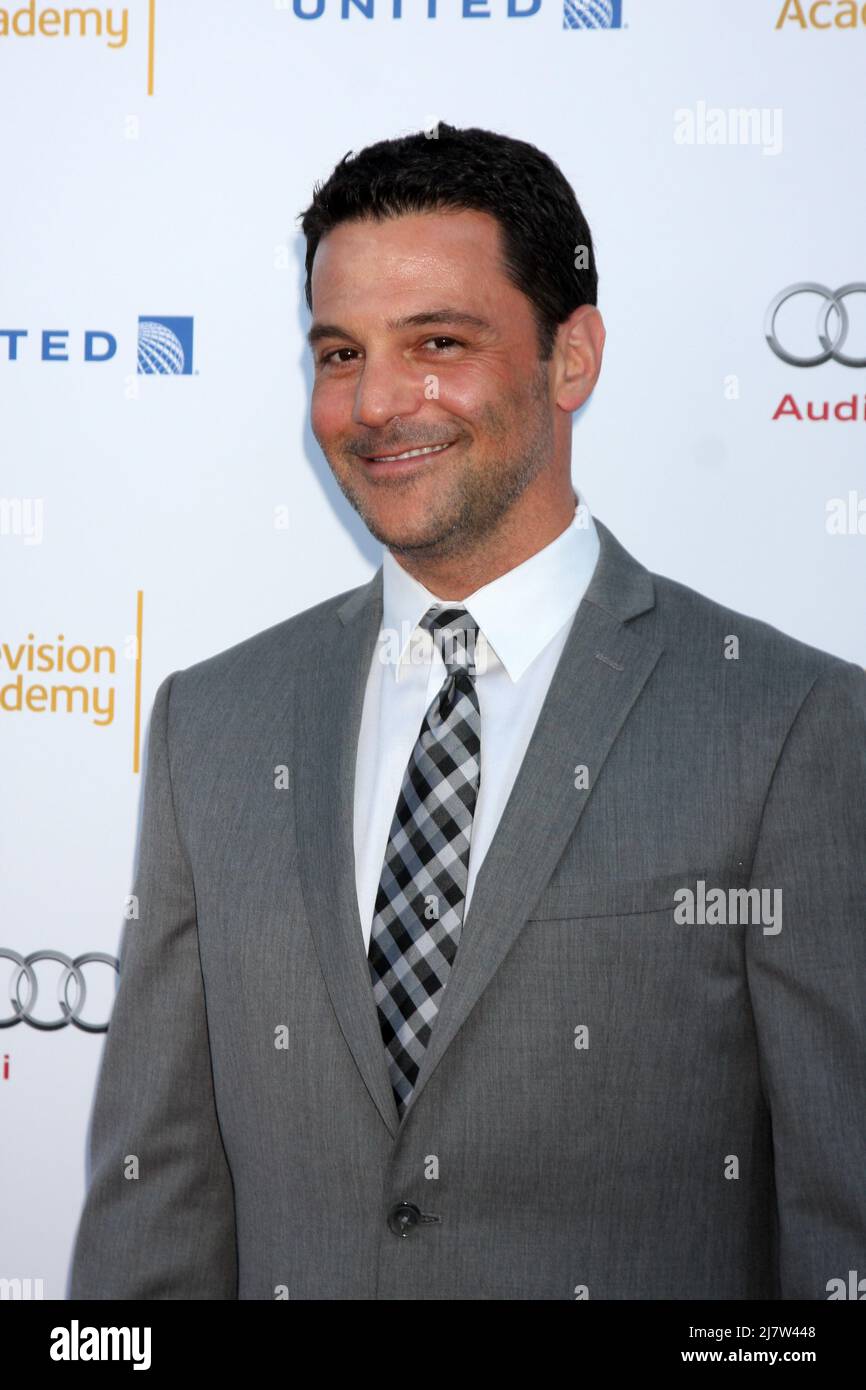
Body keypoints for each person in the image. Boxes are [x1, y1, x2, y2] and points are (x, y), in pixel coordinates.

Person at [70, 123, 866, 1301]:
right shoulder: (214, 726)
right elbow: (157, 1208)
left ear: (570, 357)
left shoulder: (789, 722)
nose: (377, 400)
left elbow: (837, 1220)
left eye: (436, 342)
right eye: (338, 352)